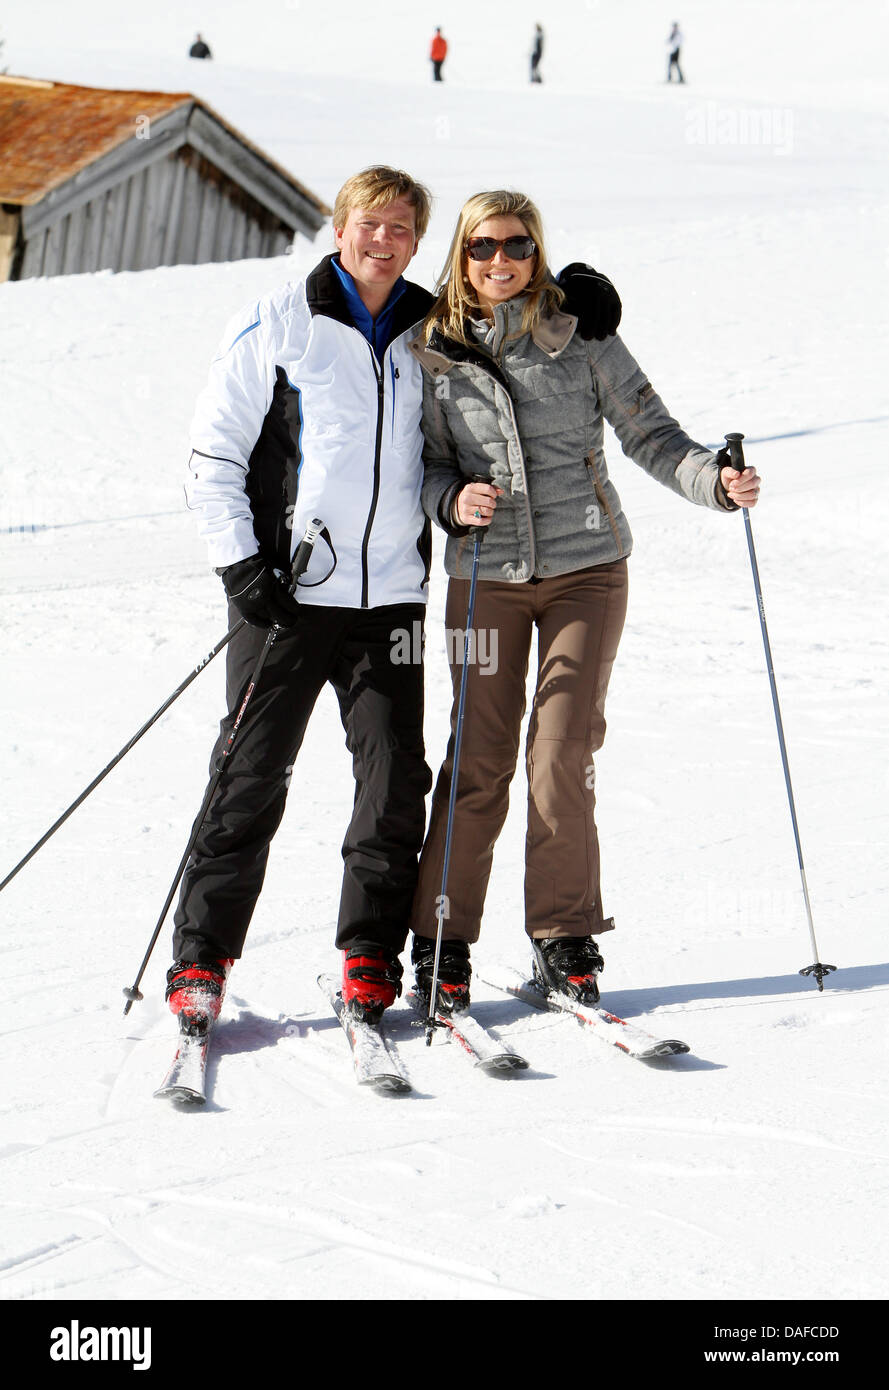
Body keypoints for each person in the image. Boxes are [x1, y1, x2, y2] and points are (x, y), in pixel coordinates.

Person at [164, 170, 622, 1035]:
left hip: (392, 601)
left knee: (393, 781)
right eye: (369, 224)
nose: (384, 240)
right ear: (338, 228)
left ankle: (368, 953)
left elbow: (503, 305)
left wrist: (579, 292)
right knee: (250, 774)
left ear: (418, 241)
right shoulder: (278, 323)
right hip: (286, 595)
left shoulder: (428, 326)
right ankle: (201, 957)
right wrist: (241, 567)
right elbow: (213, 455)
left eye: (402, 228)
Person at [406, 190, 760, 1013]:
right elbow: (420, 463)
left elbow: (652, 434)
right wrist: (449, 499)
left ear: (537, 252)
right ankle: (441, 942)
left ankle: (562, 936)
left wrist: (714, 482)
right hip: (483, 577)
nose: (500, 261)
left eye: (517, 245)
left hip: (587, 571)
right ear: (461, 255)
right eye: (483, 246)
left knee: (561, 752)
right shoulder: (430, 349)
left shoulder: (581, 333)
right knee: (477, 757)